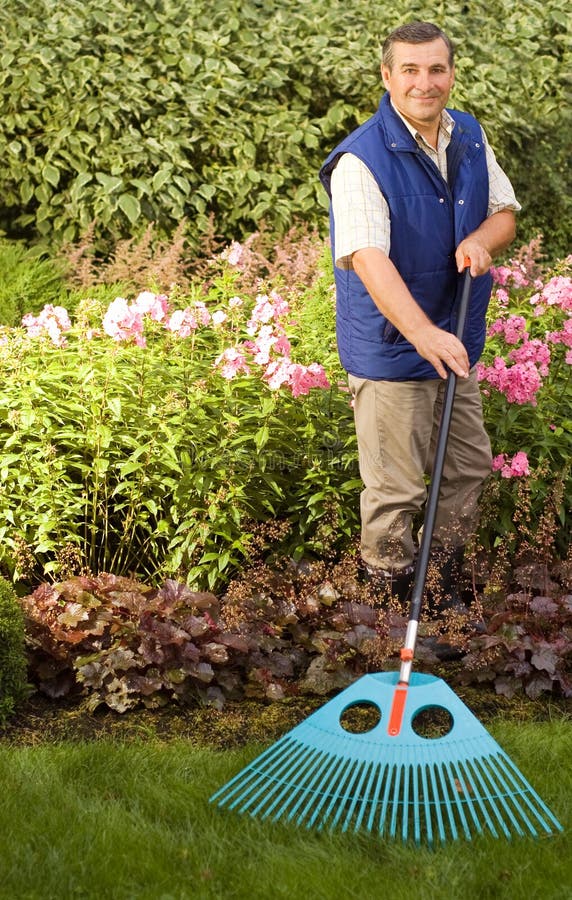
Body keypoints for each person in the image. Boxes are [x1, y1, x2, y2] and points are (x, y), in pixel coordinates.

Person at [319, 22, 520, 616]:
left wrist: (482, 240)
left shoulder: (468, 136)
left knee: (465, 472)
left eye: (436, 69)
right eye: (409, 70)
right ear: (387, 77)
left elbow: (503, 212)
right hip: (394, 349)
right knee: (397, 491)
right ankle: (387, 616)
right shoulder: (362, 159)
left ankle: (439, 597)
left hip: (452, 339)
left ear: (451, 74)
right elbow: (368, 259)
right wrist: (424, 334)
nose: (424, 83)